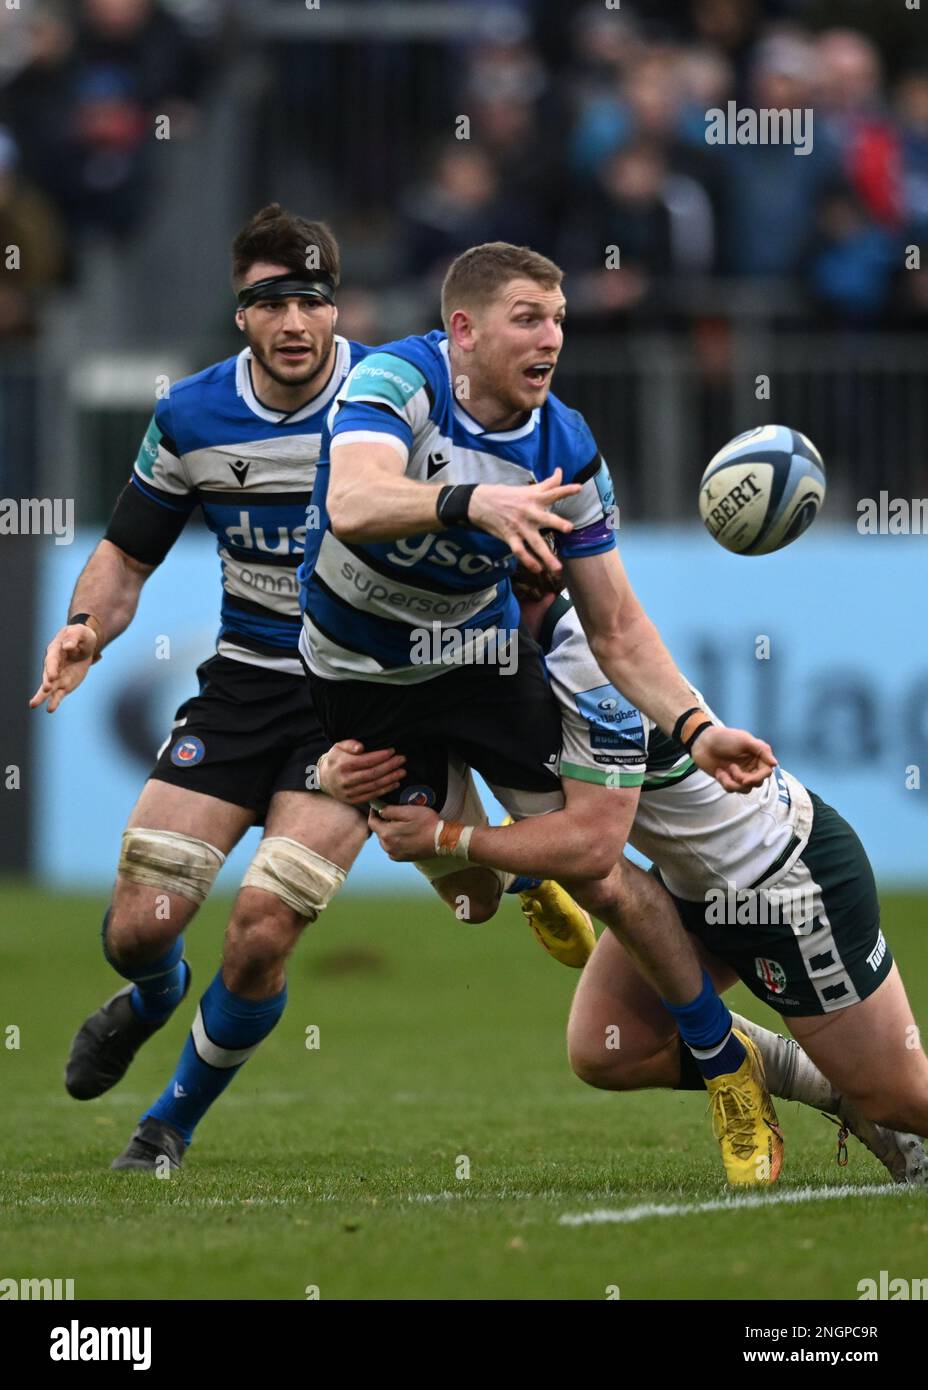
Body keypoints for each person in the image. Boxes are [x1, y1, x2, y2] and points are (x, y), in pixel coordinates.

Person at [297, 241, 786, 1184]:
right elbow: (351, 501)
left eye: (559, 319)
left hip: (482, 662)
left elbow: (617, 625)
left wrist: (694, 726)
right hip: (358, 674)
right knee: (471, 898)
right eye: (529, 317)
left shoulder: (567, 445)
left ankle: (726, 1062)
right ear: (464, 332)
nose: (552, 336)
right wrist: (472, 504)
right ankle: (518, 888)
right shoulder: (397, 379)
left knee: (598, 864)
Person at [366, 581, 928, 1186]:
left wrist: (448, 839)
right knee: (609, 1048)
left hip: (786, 883)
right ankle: (836, 1093)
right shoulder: (503, 649)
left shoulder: (583, 657)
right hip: (690, 885)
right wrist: (336, 767)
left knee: (901, 1097)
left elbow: (591, 846)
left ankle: (873, 1106)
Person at [29, 204, 373, 1172]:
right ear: (241, 314)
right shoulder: (191, 415)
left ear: (336, 309)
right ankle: (149, 994)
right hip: (241, 693)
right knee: (136, 932)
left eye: (312, 299)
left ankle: (166, 1125)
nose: (295, 322)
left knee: (261, 930)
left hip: (358, 702)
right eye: (273, 302)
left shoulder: (393, 401)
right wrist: (86, 629)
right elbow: (126, 556)